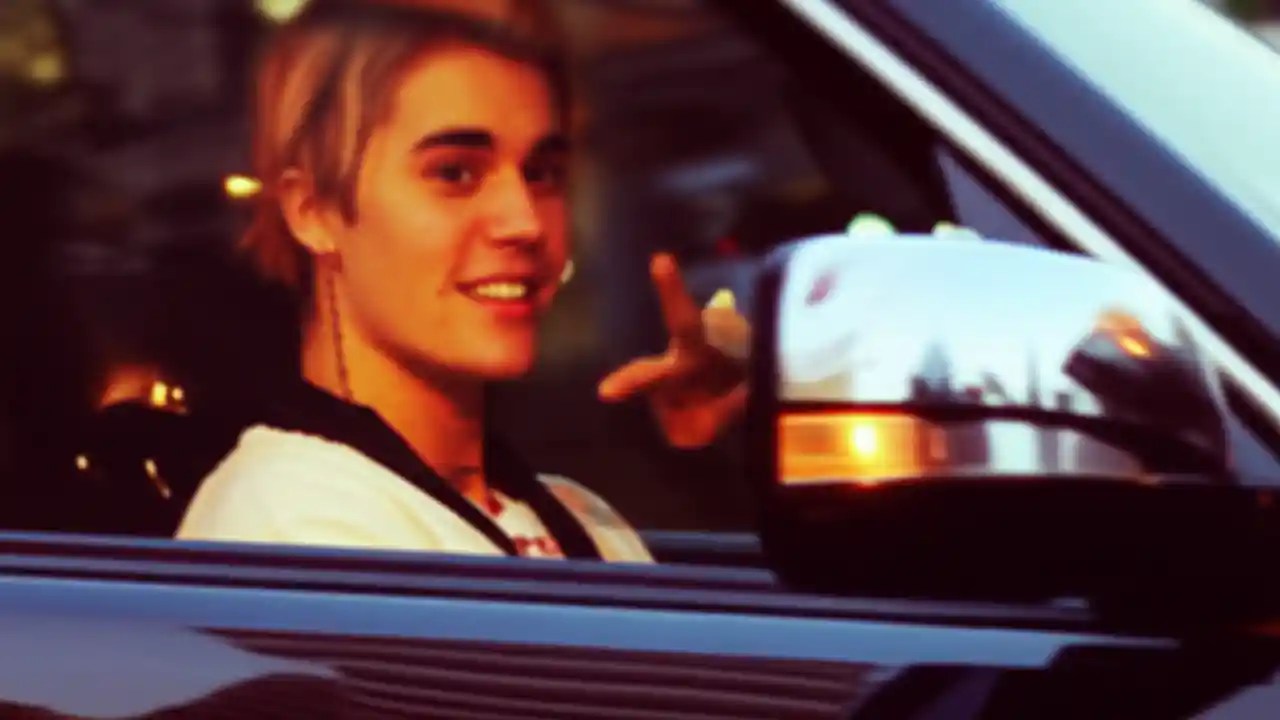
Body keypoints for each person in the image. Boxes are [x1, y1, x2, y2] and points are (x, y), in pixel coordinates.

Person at [175, 2, 747, 562]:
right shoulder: (296, 526)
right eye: (455, 173)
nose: (525, 222)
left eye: (543, 173)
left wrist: (717, 444)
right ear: (313, 210)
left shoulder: (572, 511)